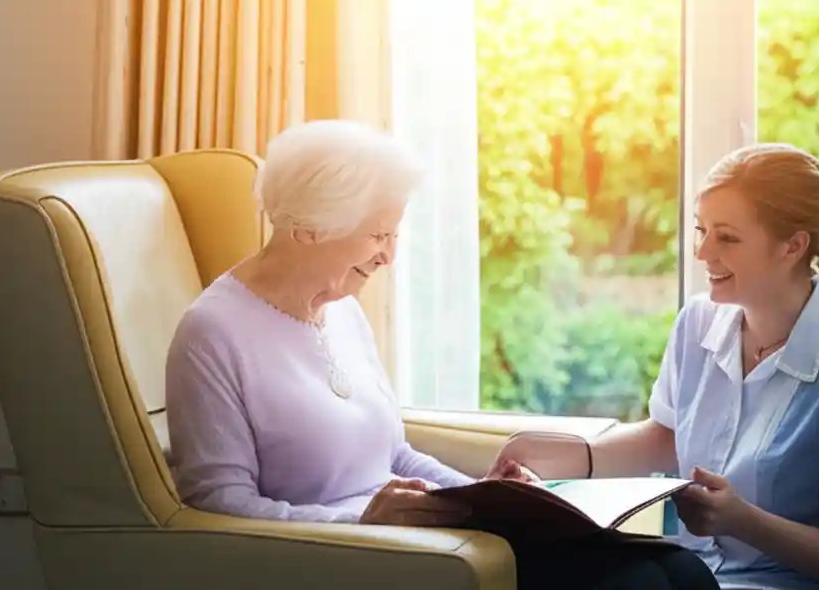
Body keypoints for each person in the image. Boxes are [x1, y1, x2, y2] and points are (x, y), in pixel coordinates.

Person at [165, 119, 717, 590]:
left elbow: (395, 457)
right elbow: (218, 505)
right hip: (350, 554)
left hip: (415, 538)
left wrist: (482, 491)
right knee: (637, 585)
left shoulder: (340, 310)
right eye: (378, 235)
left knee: (682, 570)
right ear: (310, 229)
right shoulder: (213, 333)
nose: (389, 257)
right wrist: (362, 517)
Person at [493, 143, 819, 590]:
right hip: (697, 575)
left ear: (793, 246)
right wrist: (555, 458)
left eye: (727, 237)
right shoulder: (698, 323)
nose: (702, 252)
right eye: (701, 230)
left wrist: (745, 522)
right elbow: (667, 436)